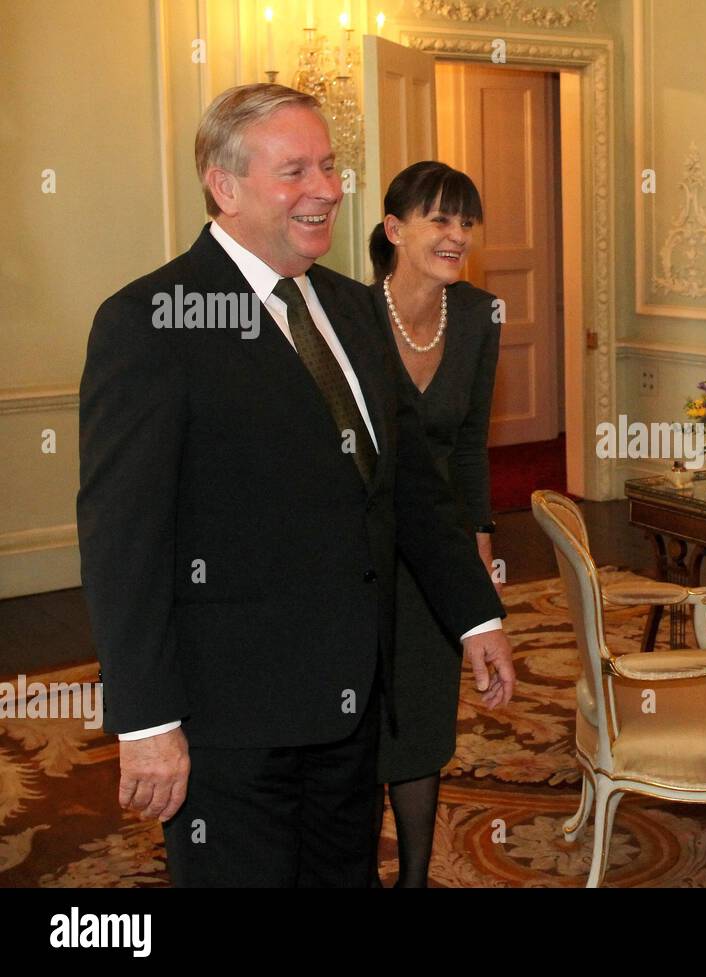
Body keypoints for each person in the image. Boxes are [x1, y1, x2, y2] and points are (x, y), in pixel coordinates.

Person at [77, 84, 516, 887]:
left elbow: (409, 483)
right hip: (230, 722)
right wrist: (145, 720)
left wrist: (475, 611)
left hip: (351, 705)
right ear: (225, 183)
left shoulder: (352, 310)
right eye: (295, 171)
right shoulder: (150, 322)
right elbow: (123, 542)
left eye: (330, 165)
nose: (326, 190)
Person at [367, 162, 503, 887]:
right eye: (441, 220)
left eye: (467, 222)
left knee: (421, 713)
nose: (458, 237)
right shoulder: (352, 316)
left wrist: (477, 550)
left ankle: (415, 878)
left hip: (442, 543)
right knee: (358, 711)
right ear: (395, 229)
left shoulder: (481, 316)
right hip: (364, 545)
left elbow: (473, 440)